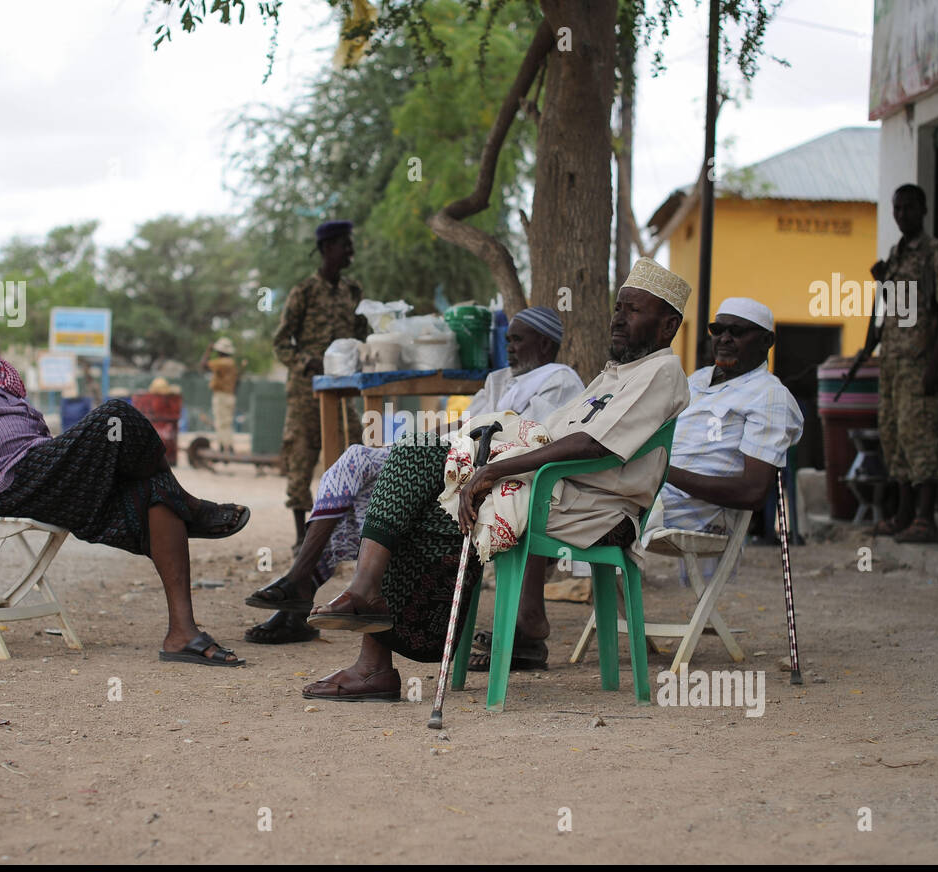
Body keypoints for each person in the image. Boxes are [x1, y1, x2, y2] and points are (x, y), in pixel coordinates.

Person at [298, 258, 692, 701]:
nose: (618, 318)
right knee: (414, 456)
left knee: (422, 482)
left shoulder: (663, 373)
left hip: (591, 506)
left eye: (633, 310)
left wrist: (497, 468)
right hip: (549, 488)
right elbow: (550, 432)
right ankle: (367, 617)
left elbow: (592, 445)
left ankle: (372, 654)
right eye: (618, 307)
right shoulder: (611, 375)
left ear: (667, 325)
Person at [0, 268, 250, 666]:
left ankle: (182, 632)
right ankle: (194, 508)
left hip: (44, 471)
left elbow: (36, 430)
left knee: (156, 496)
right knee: (116, 418)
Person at [243, 306, 585, 644]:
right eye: (508, 339)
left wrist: (437, 443)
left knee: (357, 460)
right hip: (447, 452)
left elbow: (527, 435)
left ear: (544, 344)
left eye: (518, 340)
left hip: (475, 466)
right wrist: (421, 438)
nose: (509, 346)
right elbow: (464, 422)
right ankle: (299, 595)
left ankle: (300, 583)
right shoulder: (499, 379)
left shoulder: (559, 378)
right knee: (361, 486)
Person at [859, 184, 938, 544]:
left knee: (921, 437)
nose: (902, 215)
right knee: (894, 436)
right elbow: (890, 306)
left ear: (924, 209)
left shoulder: (937, 254)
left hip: (920, 363)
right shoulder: (895, 256)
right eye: (897, 208)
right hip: (891, 364)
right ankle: (902, 516)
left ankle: (925, 519)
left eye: (909, 208)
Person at [658, 297, 804, 534]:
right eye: (717, 330)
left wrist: (663, 472)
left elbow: (753, 492)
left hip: (687, 511)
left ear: (766, 341)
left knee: (595, 504)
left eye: (737, 331)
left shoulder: (770, 395)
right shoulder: (697, 379)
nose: (724, 338)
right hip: (649, 489)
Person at [273, 220, 369, 549]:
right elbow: (281, 342)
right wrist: (307, 363)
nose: (351, 251)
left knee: (356, 451)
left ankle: (352, 531)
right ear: (328, 248)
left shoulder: (353, 292)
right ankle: (302, 539)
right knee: (301, 456)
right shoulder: (304, 292)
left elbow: (362, 334)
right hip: (306, 392)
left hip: (342, 391)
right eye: (346, 245)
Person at [202, 336, 242, 454]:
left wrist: (208, 350)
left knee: (220, 422)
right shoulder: (232, 363)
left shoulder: (222, 363)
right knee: (227, 423)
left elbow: (203, 365)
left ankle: (224, 448)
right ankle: (227, 446)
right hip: (230, 395)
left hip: (221, 396)